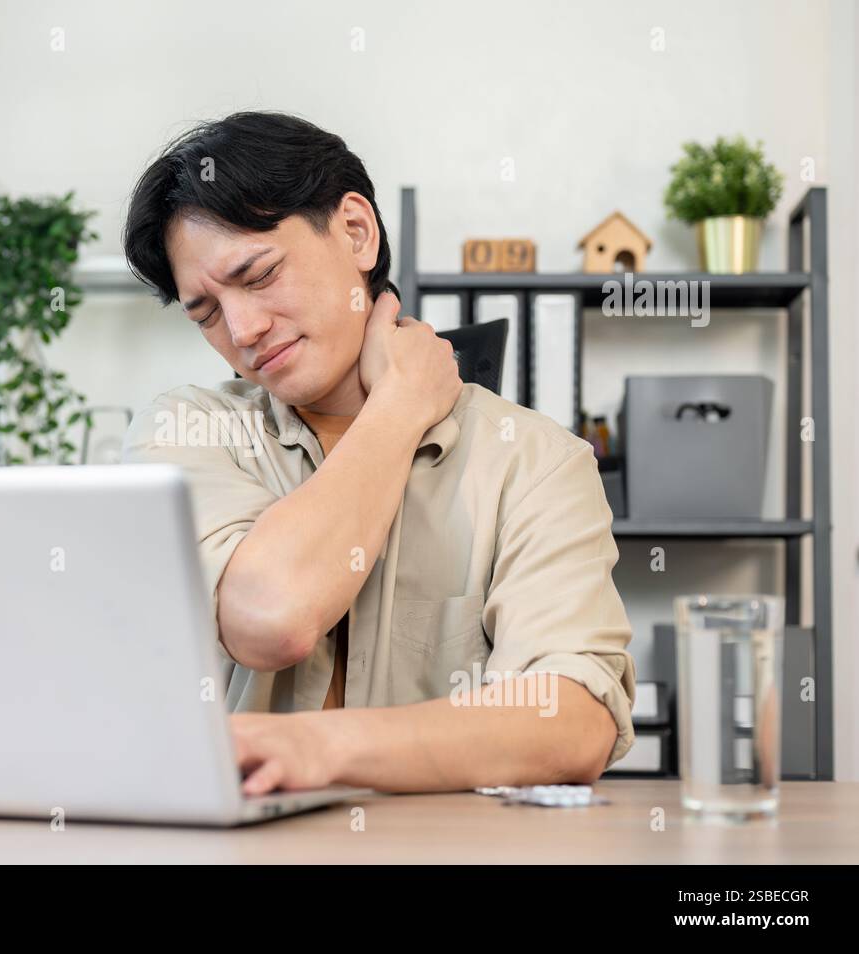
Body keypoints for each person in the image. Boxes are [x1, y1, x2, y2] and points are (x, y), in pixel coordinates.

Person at [120, 110, 636, 794]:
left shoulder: (536, 462)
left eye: (259, 273)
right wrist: (398, 408)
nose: (242, 330)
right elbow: (269, 618)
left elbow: (572, 721)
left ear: (356, 232)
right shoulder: (188, 432)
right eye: (207, 313)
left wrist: (318, 747)